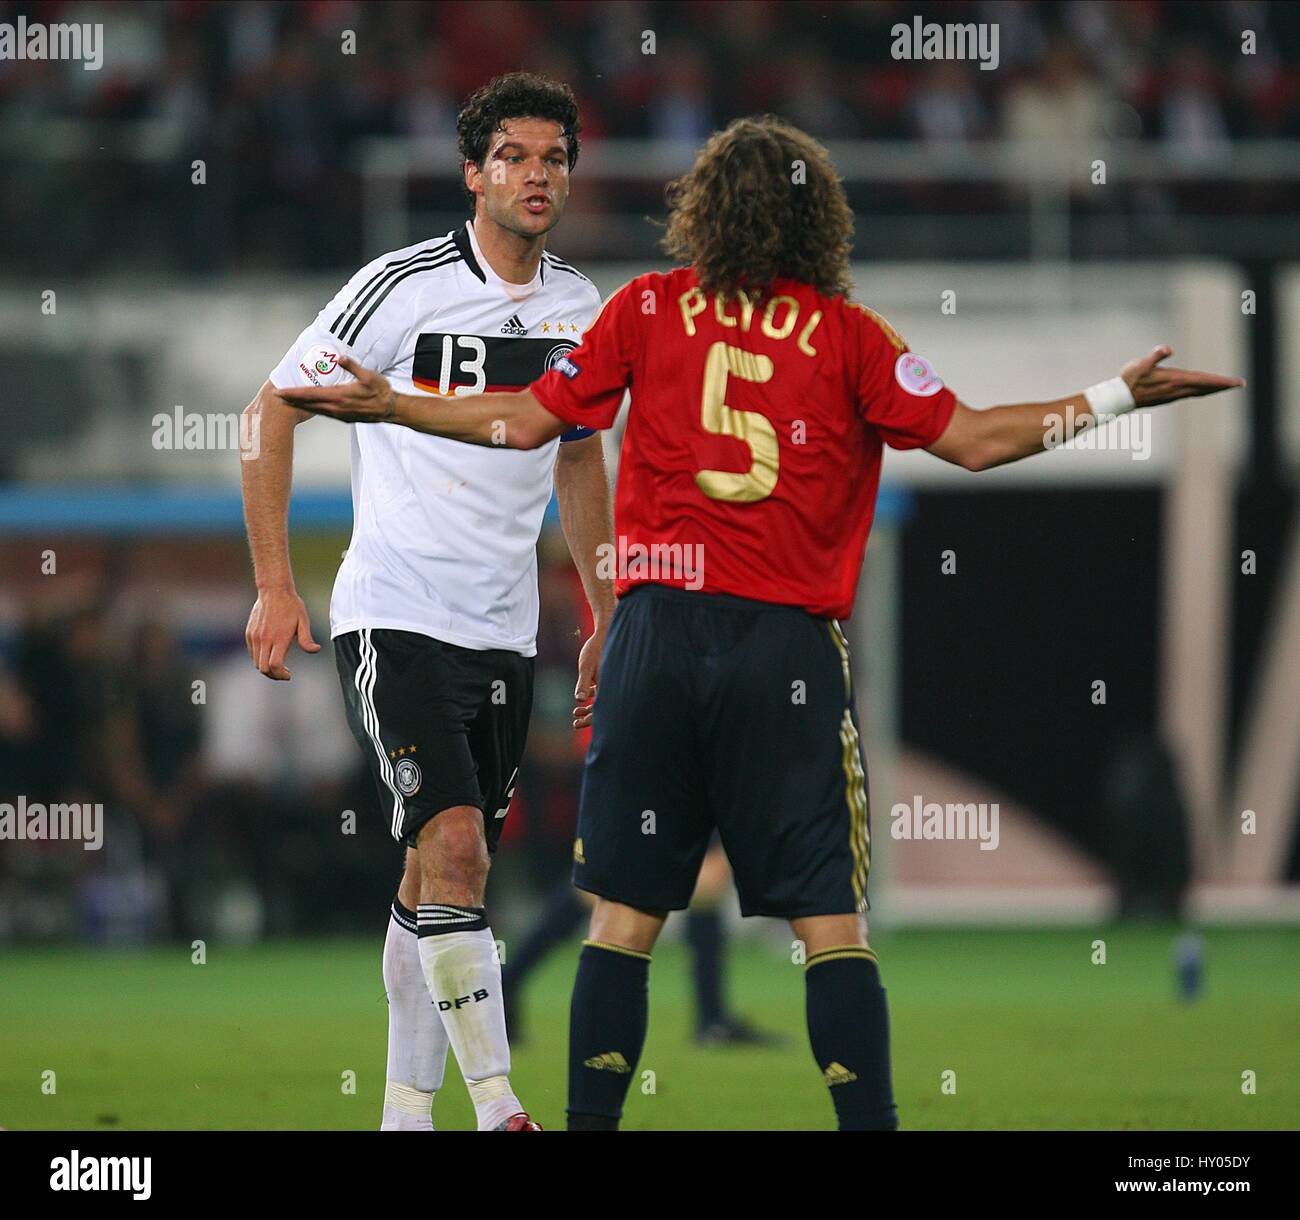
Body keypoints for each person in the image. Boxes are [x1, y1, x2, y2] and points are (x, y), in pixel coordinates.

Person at [279, 115, 1244, 1130]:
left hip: (654, 638)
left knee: (621, 919)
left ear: (705, 209)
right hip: (780, 648)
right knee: (830, 923)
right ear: (814, 214)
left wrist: (397, 405)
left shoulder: (646, 308)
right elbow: (972, 440)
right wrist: (1113, 395)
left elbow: (523, 421)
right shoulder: (846, 333)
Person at [241, 73, 614, 1132]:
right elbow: (269, 410)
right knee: (460, 849)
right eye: (513, 155)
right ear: (472, 173)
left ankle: (405, 1116)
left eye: (553, 157)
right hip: (395, 608)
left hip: (501, 627)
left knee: (434, 874)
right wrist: (274, 582)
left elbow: (580, 462)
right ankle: (498, 1106)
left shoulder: (577, 307)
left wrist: (605, 607)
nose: (536, 174)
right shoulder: (401, 287)